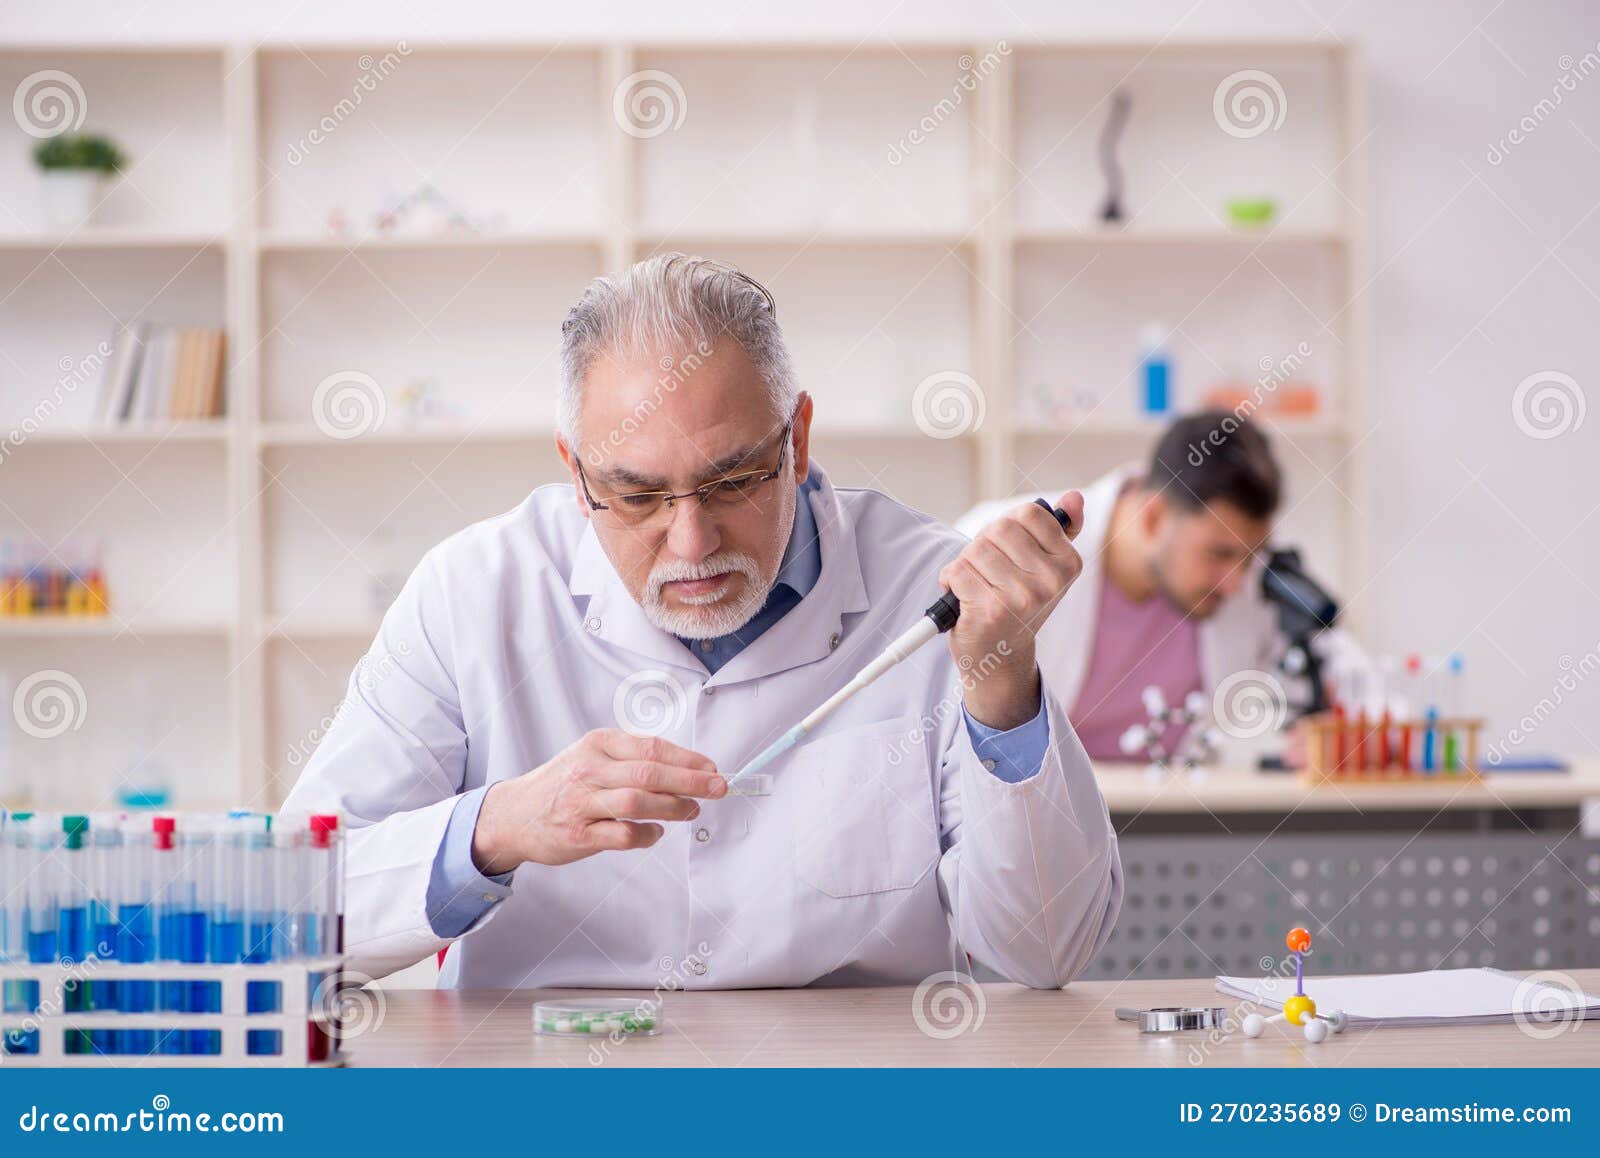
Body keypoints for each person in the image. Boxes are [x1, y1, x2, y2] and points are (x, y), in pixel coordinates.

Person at [284, 254, 1122, 989]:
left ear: (797, 440)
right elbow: (291, 919)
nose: (692, 542)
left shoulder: (934, 595)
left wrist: (1001, 684)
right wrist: (495, 826)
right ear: (576, 474)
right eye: (638, 495)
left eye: (732, 482)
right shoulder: (472, 594)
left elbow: (1049, 950)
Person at [957, 412, 1362, 763]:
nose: (1236, 582)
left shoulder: (1244, 572)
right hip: (1039, 814)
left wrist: (1331, 734)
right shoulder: (1007, 550)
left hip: (1175, 815)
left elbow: (1350, 677)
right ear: (1153, 519)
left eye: (1249, 556)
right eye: (1219, 554)